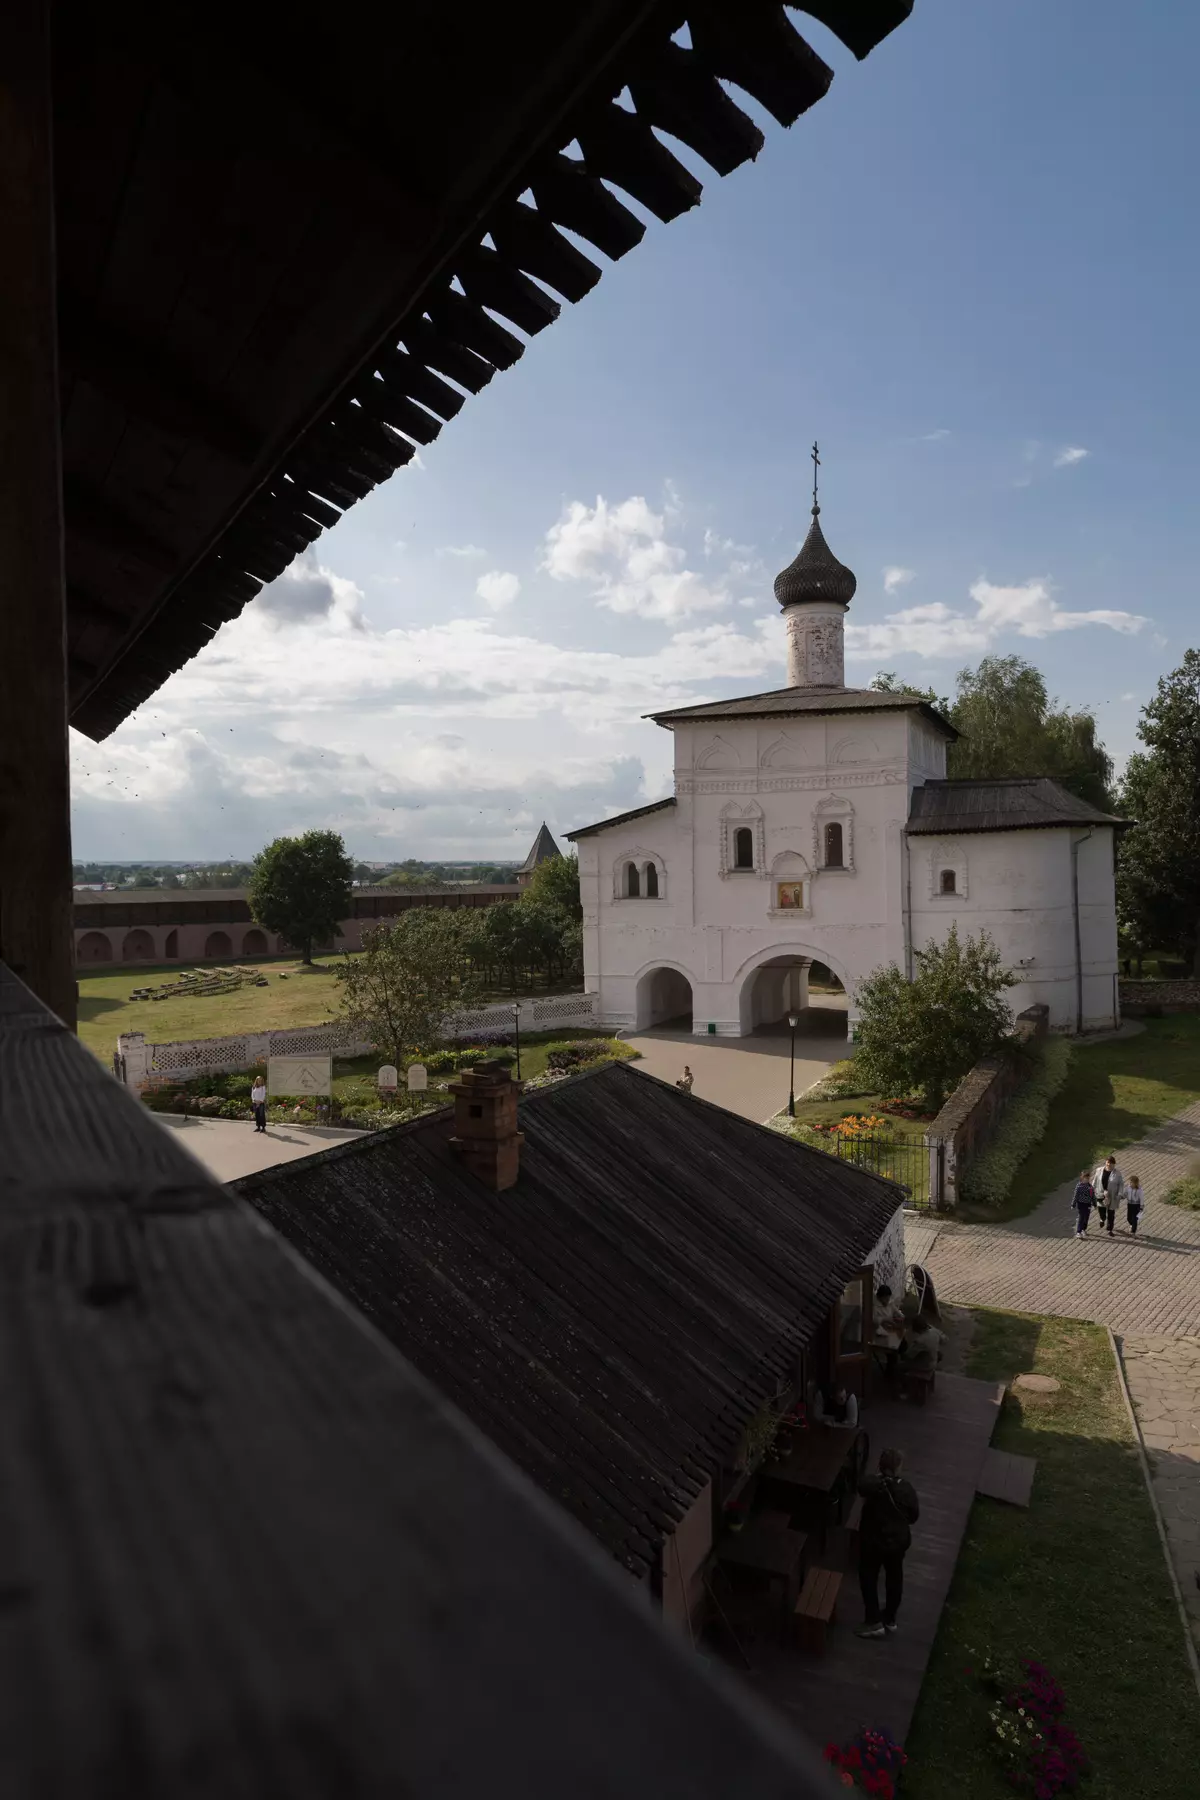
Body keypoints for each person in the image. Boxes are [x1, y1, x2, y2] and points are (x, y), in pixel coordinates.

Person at [856, 1448, 920, 1639]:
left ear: (881, 1466)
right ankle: (890, 1618)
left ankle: (873, 1619)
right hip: (897, 1544)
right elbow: (914, 1516)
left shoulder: (873, 1486)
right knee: (895, 1578)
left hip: (873, 1543)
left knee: (868, 1578)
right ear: (898, 1467)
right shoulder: (906, 1489)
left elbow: (862, 1486)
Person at [1091, 1155, 1125, 1236]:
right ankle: (1102, 1219)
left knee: (1111, 1213)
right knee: (1101, 1210)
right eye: (1108, 1162)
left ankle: (1110, 1229)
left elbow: (1121, 1184)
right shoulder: (1099, 1170)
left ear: (1114, 1164)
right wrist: (1092, 1190)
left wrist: (1120, 1194)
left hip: (1112, 1196)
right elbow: (1095, 1181)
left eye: (1111, 1163)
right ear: (1106, 1162)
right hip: (1100, 1194)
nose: (1109, 1164)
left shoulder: (1117, 1173)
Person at [1071, 1169, 1094, 1237]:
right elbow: (1075, 1196)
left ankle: (1083, 1229)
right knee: (1081, 1217)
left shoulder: (1090, 1187)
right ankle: (1078, 1231)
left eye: (1088, 1178)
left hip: (1088, 1204)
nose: (1087, 1179)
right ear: (1082, 1178)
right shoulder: (1079, 1187)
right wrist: (1073, 1204)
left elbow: (1093, 1196)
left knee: (1086, 1217)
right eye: (1085, 1178)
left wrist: (1094, 1203)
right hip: (1081, 1204)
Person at [1125, 1173, 1146, 1237]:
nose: (1131, 1184)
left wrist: (1141, 1206)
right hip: (1130, 1204)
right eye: (1130, 1182)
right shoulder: (1128, 1188)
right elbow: (1125, 1193)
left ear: (1136, 1183)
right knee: (1129, 1218)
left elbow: (1142, 1198)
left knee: (1134, 1219)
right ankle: (1131, 1225)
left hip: (1136, 1205)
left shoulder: (1140, 1190)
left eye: (1132, 1182)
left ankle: (1133, 1231)